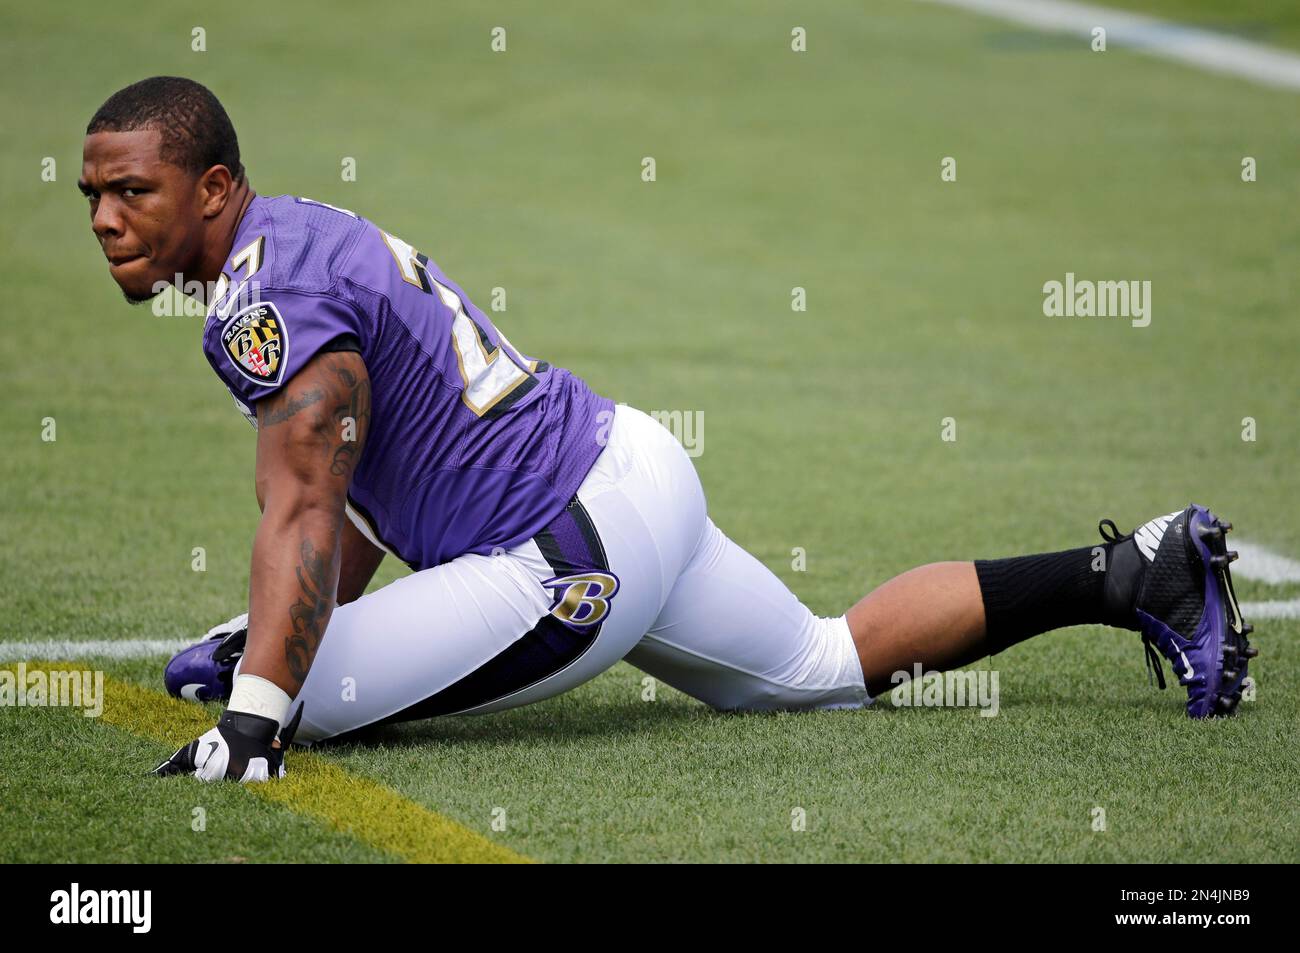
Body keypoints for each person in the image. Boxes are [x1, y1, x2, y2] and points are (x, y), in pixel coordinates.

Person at [78, 77, 1254, 783]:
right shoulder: (298, 234)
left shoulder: (262, 304)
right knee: (822, 664)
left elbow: (308, 502)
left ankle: (269, 680)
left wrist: (258, 710)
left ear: (217, 189)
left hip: (563, 554)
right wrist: (271, 635)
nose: (106, 217)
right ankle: (1132, 571)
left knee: (301, 703)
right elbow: (364, 493)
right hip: (633, 467)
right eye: (91, 193)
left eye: (133, 189)